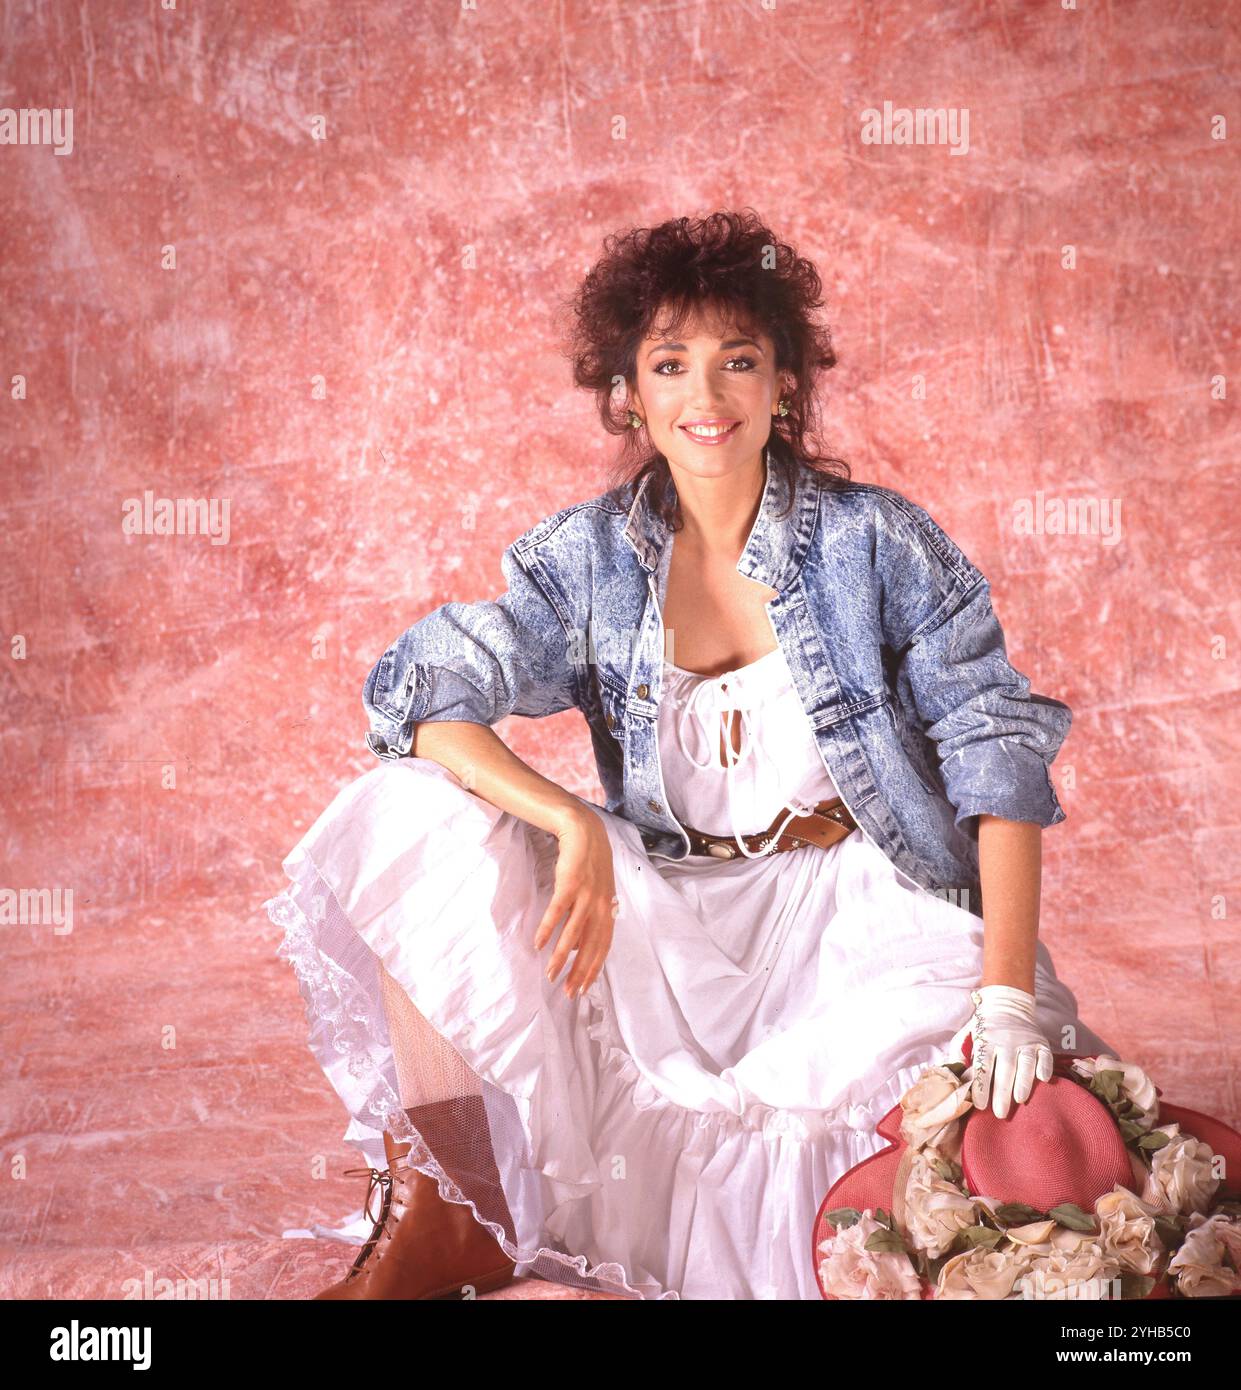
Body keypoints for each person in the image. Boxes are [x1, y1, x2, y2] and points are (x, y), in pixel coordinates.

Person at [264, 209, 1116, 1301]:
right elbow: (418, 689)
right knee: (408, 806)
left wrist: (1002, 995)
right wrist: (571, 821)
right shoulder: (585, 560)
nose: (704, 398)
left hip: (859, 907)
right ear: (628, 394)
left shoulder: (880, 545)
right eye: (670, 365)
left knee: (959, 1148)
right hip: (666, 917)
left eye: (737, 363)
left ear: (784, 387)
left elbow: (995, 758)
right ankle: (448, 1199)